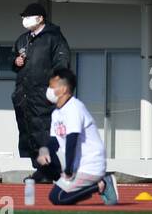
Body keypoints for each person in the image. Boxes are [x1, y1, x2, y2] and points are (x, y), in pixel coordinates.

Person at [34, 68, 118, 206]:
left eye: (52, 87)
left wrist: (68, 170)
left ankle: (102, 184)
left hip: (89, 164)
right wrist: (43, 152)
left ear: (64, 89)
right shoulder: (56, 113)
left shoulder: (74, 108)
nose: (49, 90)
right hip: (76, 163)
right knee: (41, 159)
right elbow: (54, 142)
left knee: (57, 198)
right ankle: (66, 183)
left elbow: (71, 141)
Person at [11, 2, 72, 182]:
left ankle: (49, 170)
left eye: (28, 16)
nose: (25, 20)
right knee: (27, 132)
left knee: (43, 131)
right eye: (24, 17)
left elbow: (62, 64)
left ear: (40, 18)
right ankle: (38, 168)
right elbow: (11, 60)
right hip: (24, 94)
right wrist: (15, 62)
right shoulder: (23, 39)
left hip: (43, 94)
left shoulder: (54, 38)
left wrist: (54, 89)